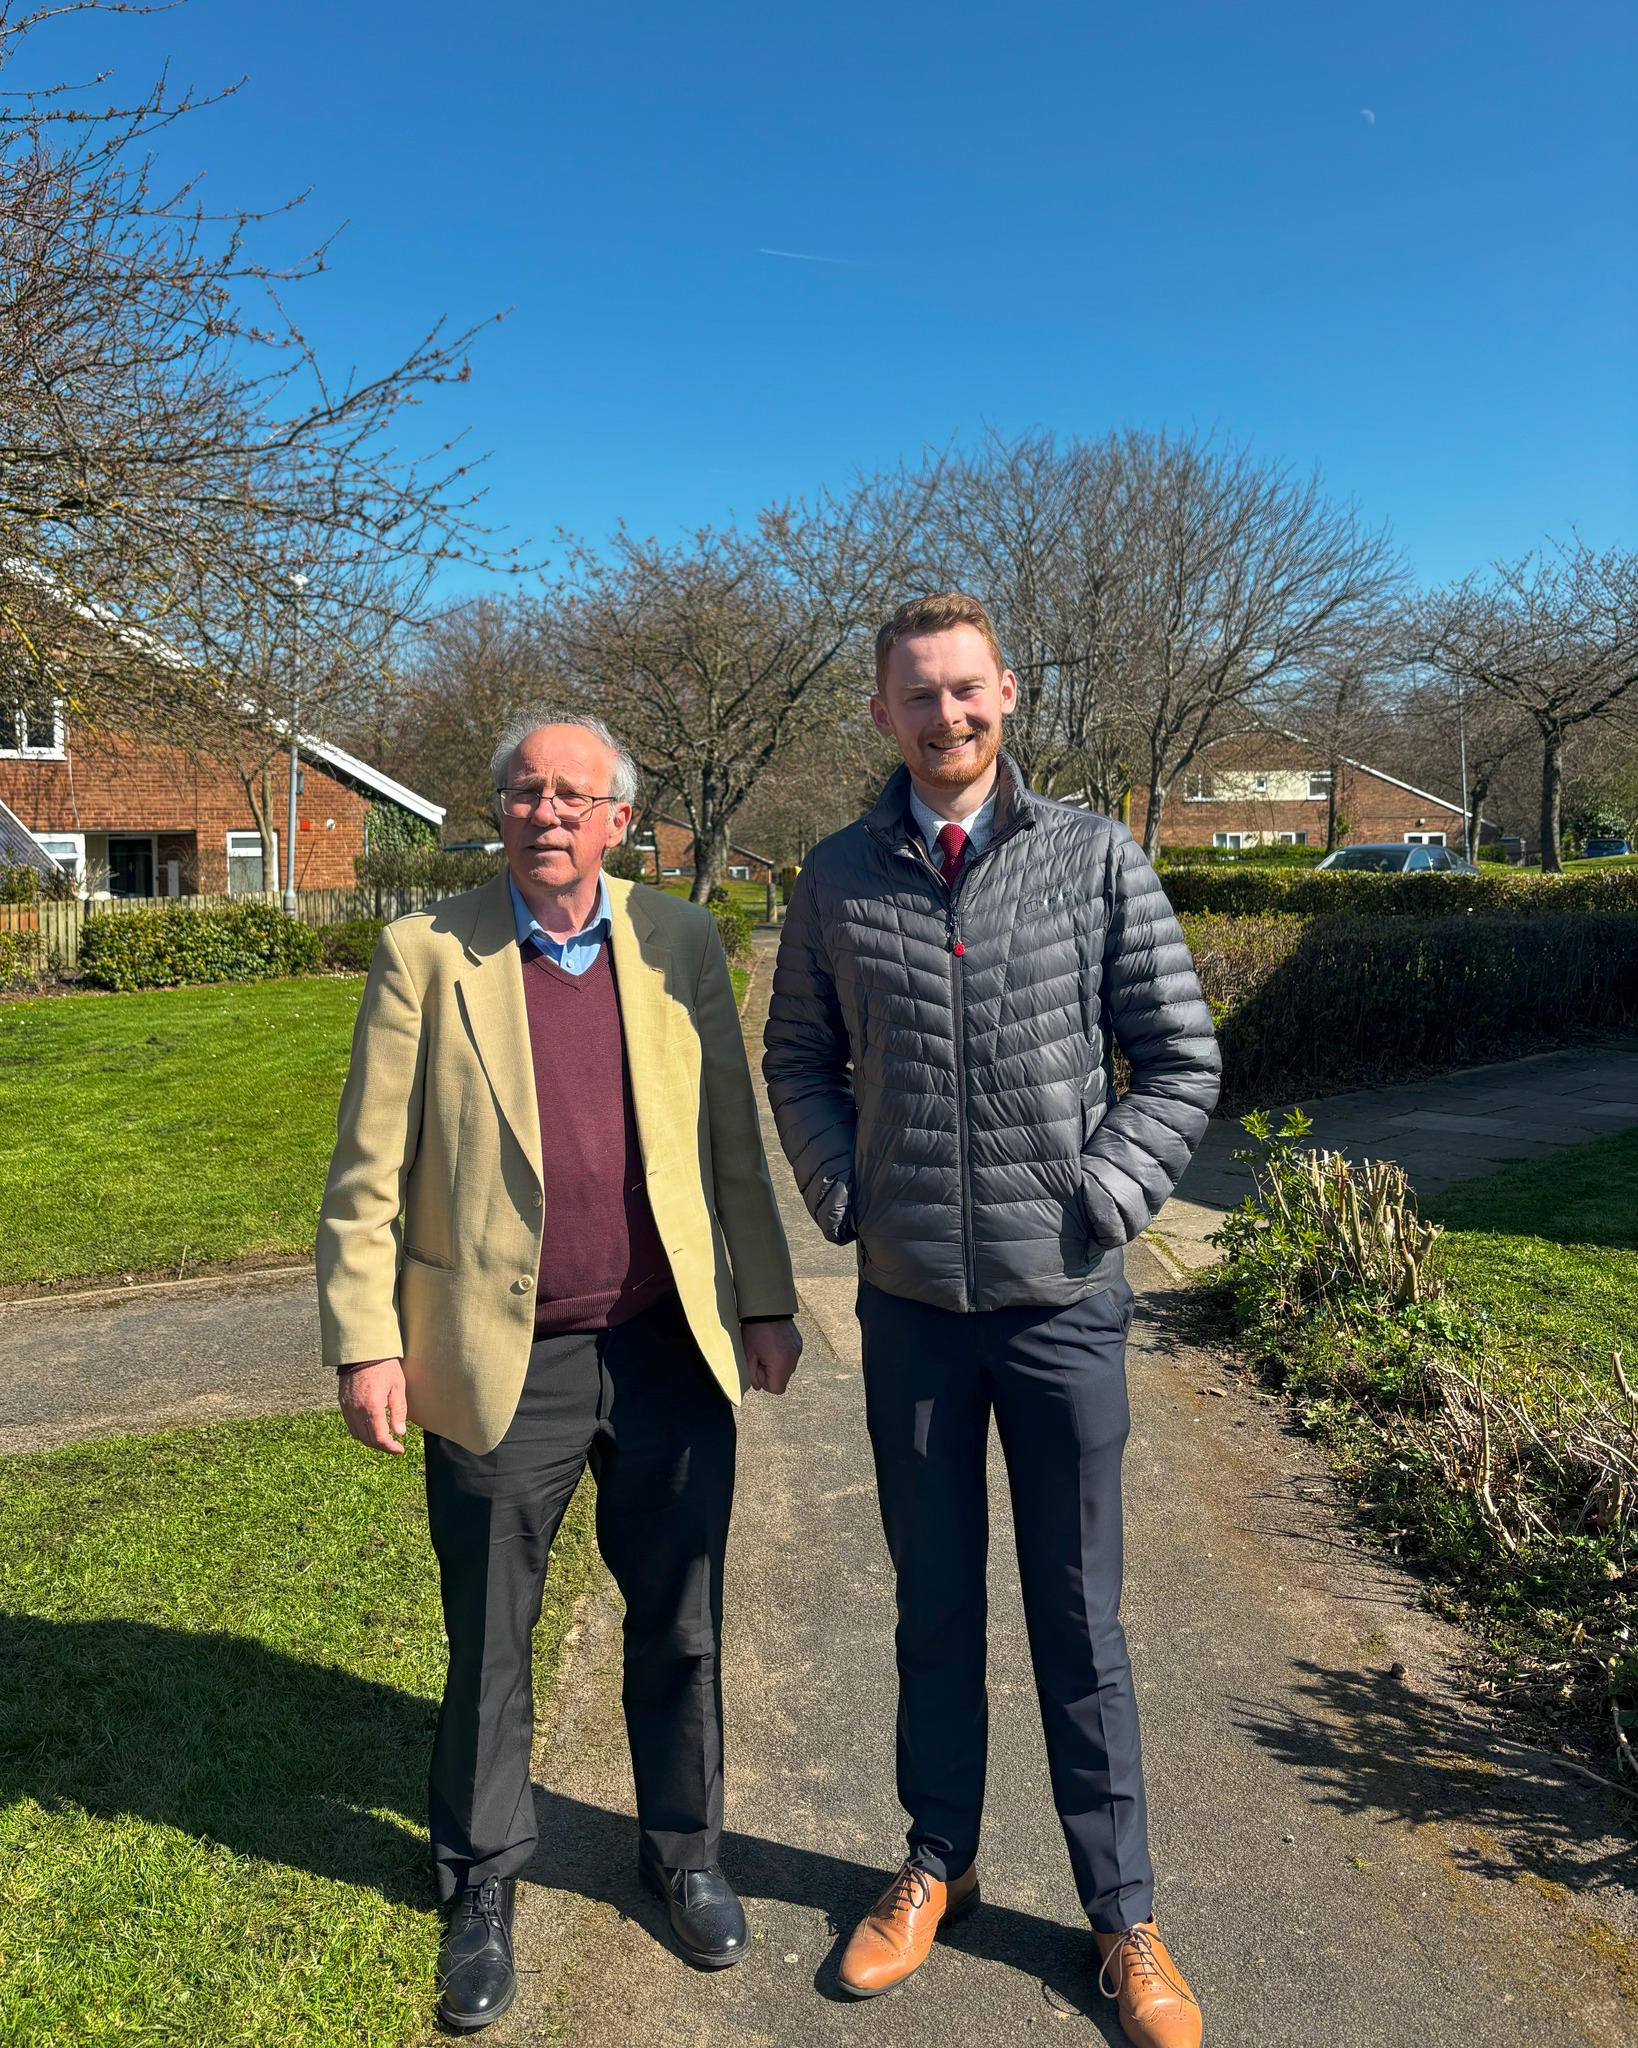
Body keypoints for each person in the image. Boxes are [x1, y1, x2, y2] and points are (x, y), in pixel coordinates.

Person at [763, 595, 1220, 2048]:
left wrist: (1096, 1202)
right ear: (880, 714)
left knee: (1078, 1620)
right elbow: (797, 1060)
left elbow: (1178, 1063)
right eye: (916, 696)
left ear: (1008, 695)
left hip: (1062, 1309)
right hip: (908, 1311)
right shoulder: (835, 876)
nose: (943, 717)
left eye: (965, 691)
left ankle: (1121, 1914)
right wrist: (847, 1197)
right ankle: (934, 1866)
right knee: (933, 1607)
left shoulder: (1092, 856)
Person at [317, 714, 802, 2034]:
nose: (544, 812)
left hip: (664, 1348)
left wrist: (764, 1300)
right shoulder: (428, 954)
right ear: (497, 812)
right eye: (522, 791)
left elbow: (730, 1151)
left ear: (617, 823)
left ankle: (683, 1851)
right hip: (497, 1360)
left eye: (572, 795)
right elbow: (367, 1172)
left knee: (682, 1622)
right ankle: (479, 1887)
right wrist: (366, 1339)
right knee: (488, 1640)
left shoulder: (678, 942)